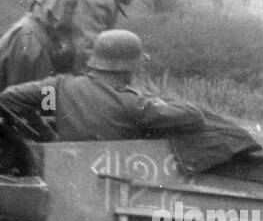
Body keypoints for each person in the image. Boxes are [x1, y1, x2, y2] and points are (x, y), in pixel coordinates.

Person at [0, 29, 204, 142]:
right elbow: (193, 115)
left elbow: (10, 99)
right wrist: (156, 99)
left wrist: (44, 134)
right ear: (130, 67)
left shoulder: (57, 88)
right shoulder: (132, 103)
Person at [0, 0, 154, 89]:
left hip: (23, 42)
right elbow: (87, 49)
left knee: (16, 108)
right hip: (36, 52)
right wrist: (95, 91)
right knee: (37, 113)